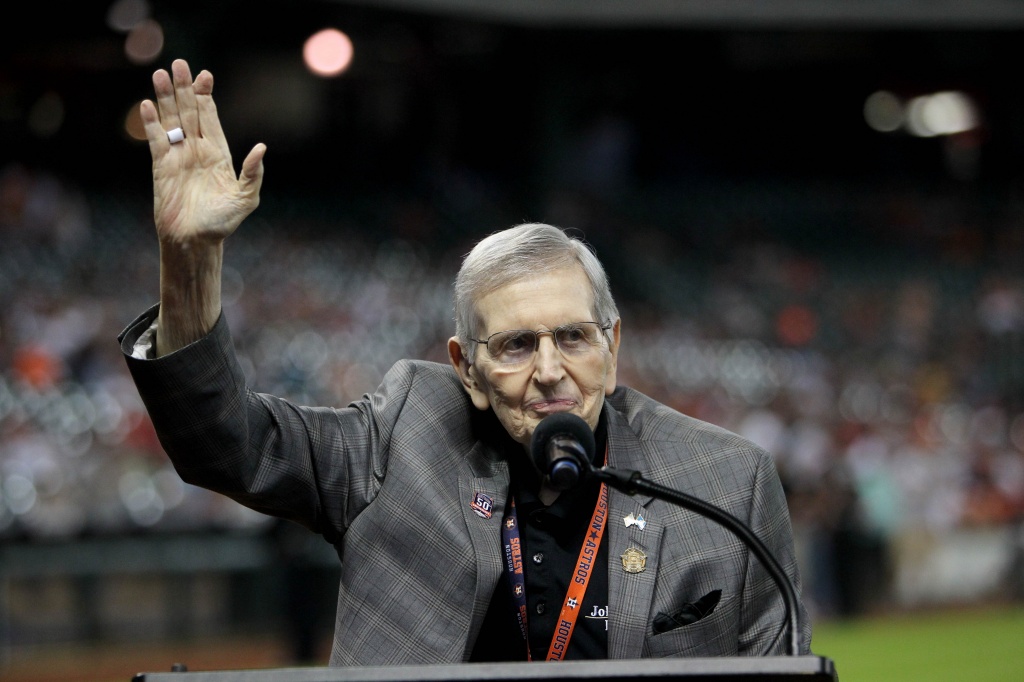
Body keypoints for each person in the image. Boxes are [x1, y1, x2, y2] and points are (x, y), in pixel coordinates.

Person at [119, 59, 812, 665]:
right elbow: (227, 447)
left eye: (573, 337)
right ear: (467, 367)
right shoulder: (402, 438)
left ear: (612, 346)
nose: (549, 369)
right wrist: (190, 262)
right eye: (515, 345)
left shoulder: (723, 484)